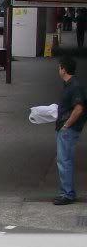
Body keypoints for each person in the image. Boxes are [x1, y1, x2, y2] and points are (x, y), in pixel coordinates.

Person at [54, 56, 86, 205]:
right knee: (64, 160)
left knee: (64, 161)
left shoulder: (74, 86)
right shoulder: (69, 84)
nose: (58, 69)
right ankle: (66, 191)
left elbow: (79, 107)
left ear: (64, 69)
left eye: (59, 67)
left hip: (67, 129)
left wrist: (67, 124)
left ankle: (67, 193)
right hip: (65, 127)